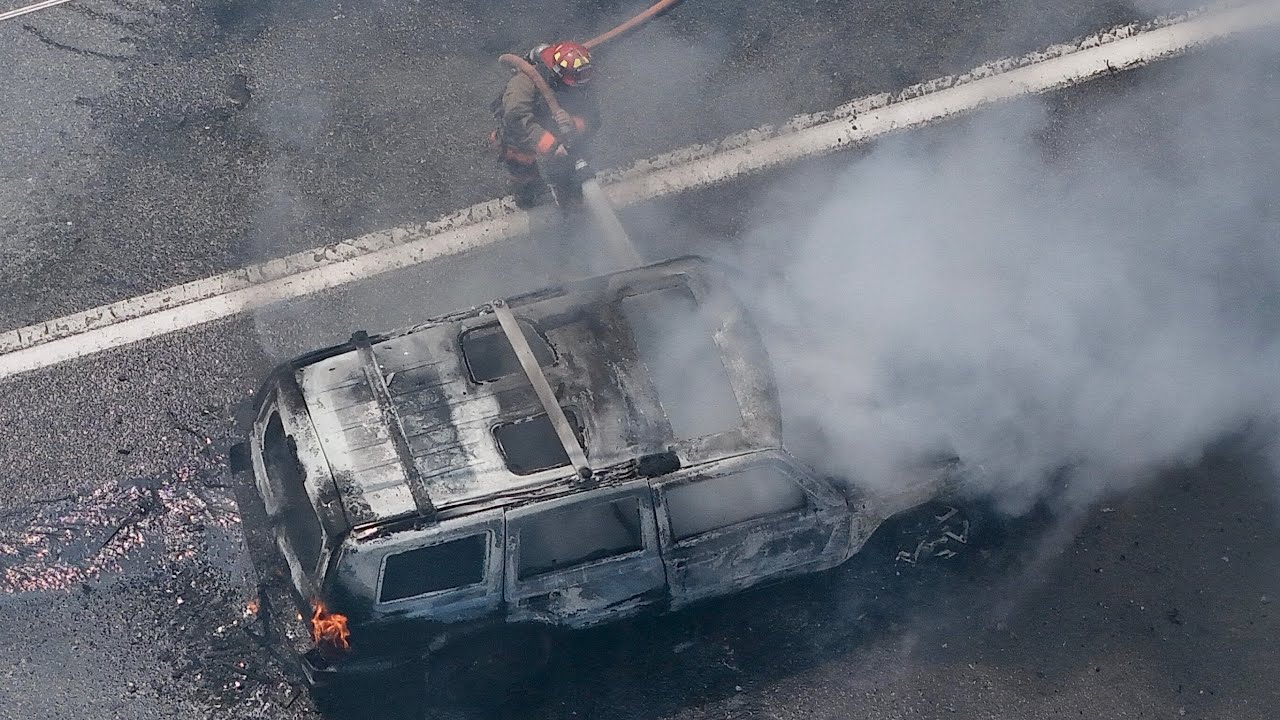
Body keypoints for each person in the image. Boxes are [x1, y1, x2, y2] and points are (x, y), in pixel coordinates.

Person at [491, 41, 601, 208]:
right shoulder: (525, 81)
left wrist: (572, 123)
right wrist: (551, 145)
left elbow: (593, 117)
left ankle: (571, 208)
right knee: (522, 163)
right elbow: (515, 117)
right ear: (559, 73)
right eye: (578, 77)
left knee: (568, 174)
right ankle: (529, 197)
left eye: (587, 74)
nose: (583, 80)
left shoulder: (580, 80)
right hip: (522, 134)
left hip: (554, 128)